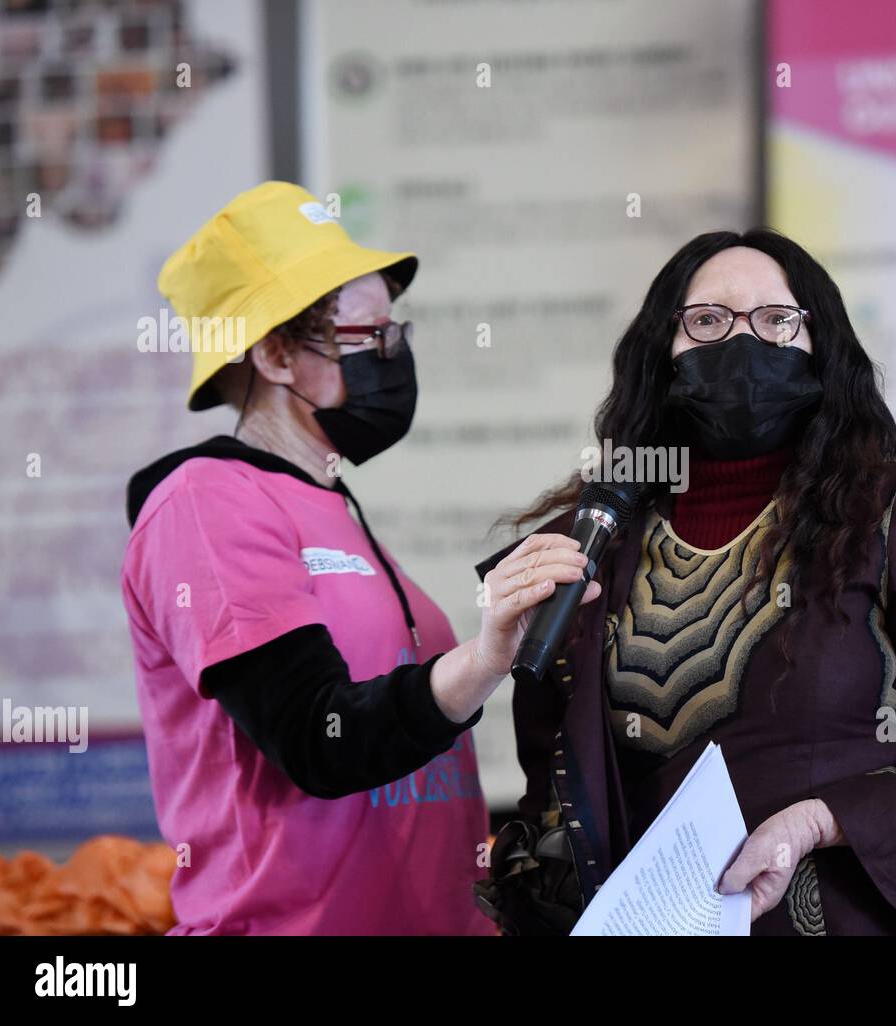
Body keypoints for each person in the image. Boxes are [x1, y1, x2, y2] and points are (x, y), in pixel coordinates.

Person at [480, 228, 896, 935]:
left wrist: (824, 821)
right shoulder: (596, 537)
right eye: (707, 321)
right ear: (661, 355)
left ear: (824, 350)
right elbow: (553, 791)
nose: (742, 344)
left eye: (776, 320)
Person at [120, 182, 598, 935]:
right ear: (275, 353)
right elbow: (318, 738)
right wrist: (484, 658)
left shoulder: (330, 506)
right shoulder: (204, 504)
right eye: (369, 337)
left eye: (394, 331)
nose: (394, 355)